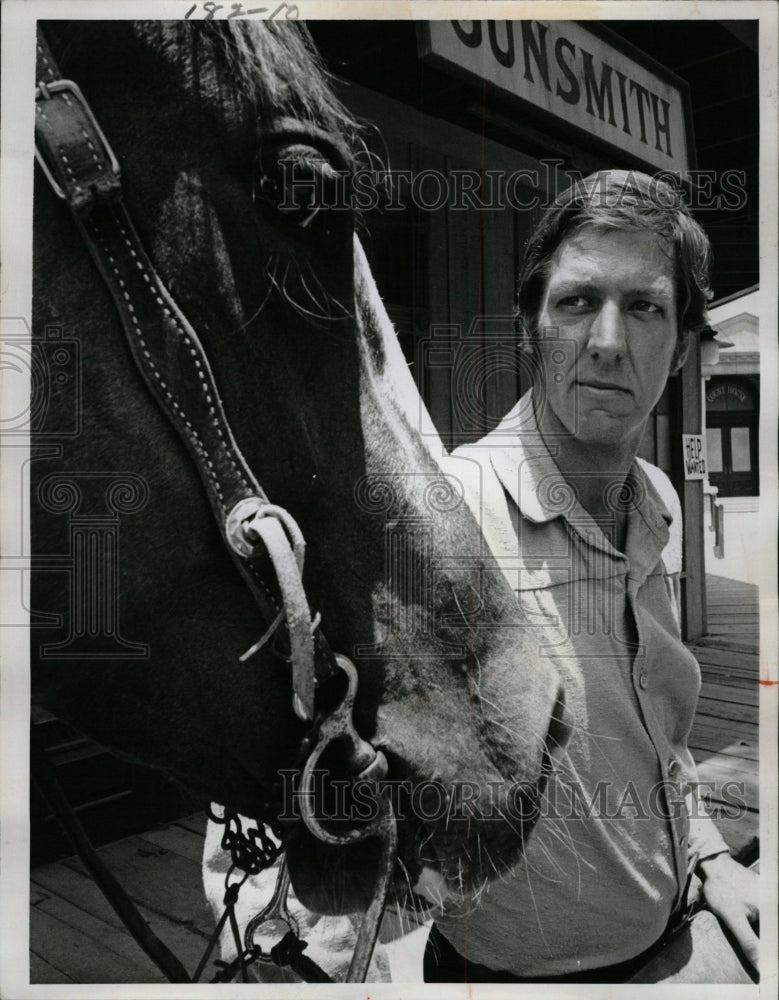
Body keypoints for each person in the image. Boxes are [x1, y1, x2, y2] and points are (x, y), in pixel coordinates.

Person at [423, 170, 760, 982]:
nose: (607, 341)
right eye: (576, 302)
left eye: (644, 306)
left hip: (678, 932)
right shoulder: (448, 508)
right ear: (529, 328)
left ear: (678, 346)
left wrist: (710, 855)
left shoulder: (652, 497)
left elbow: (660, 733)